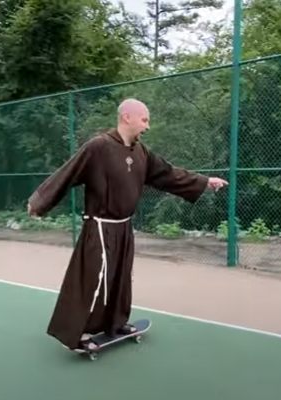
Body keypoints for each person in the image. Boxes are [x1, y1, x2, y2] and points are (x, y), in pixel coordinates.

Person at [27, 98, 228, 352]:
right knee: (92, 280)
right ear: (127, 117)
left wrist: (203, 181)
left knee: (121, 278)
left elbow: (168, 174)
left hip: (124, 227)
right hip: (99, 227)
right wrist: (39, 202)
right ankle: (73, 333)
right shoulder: (98, 147)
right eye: (145, 119)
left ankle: (116, 324)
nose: (148, 126)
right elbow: (68, 172)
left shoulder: (141, 152)